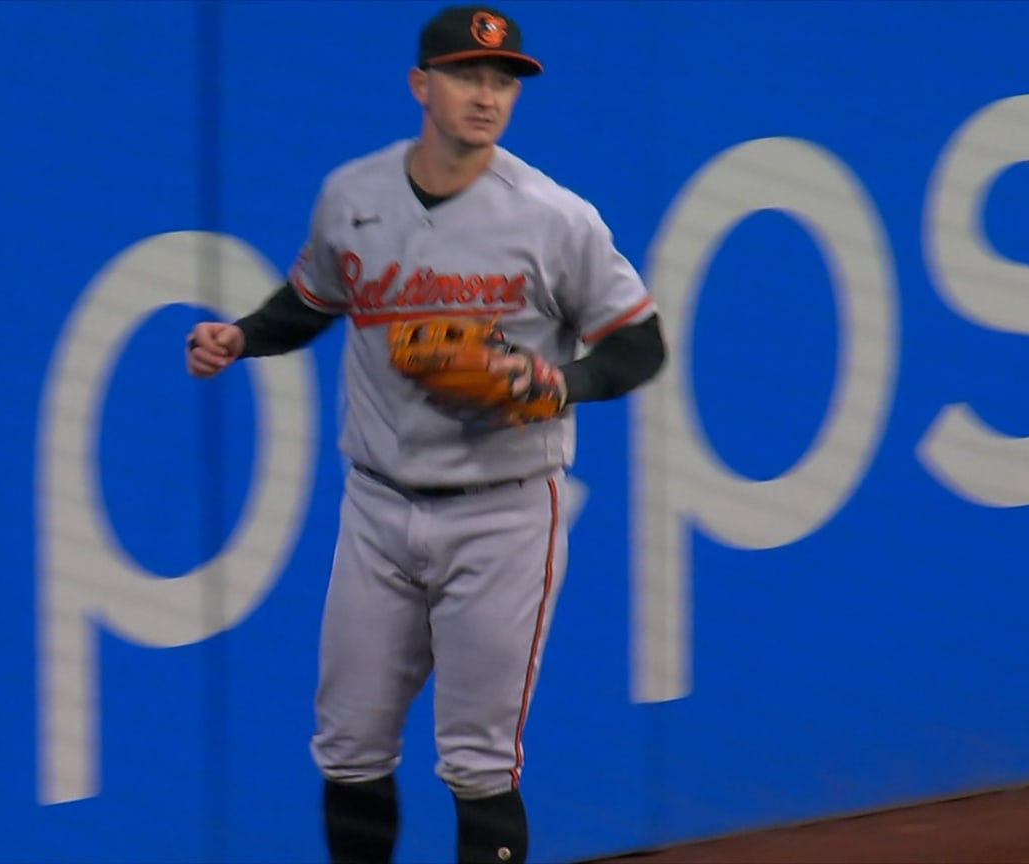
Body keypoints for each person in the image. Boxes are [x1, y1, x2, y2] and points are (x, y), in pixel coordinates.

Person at [185, 5, 667, 862]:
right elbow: (313, 300)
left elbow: (640, 344)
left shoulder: (555, 217)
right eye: (466, 75)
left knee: (479, 764)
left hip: (504, 514)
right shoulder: (354, 195)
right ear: (421, 85)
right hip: (376, 508)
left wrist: (563, 385)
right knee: (348, 747)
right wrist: (244, 337)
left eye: (502, 80)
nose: (487, 95)